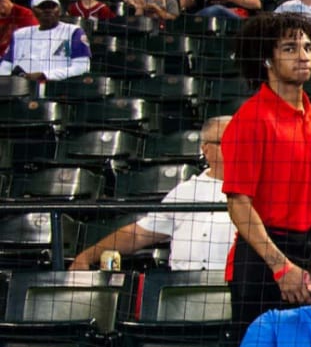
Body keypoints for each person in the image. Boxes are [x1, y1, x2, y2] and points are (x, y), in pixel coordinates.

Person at [224, 12, 311, 329]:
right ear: (267, 60)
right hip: (263, 259)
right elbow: (238, 204)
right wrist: (280, 267)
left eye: (307, 47)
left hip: (309, 252)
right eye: (289, 48)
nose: (303, 56)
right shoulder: (250, 119)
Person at [72, 115, 236, 270]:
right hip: (181, 285)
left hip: (232, 286)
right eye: (227, 141)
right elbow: (138, 235)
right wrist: (86, 257)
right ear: (206, 150)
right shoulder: (186, 191)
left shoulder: (259, 188)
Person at [0, 0, 91, 86]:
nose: (48, 10)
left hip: (56, 90)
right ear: (33, 11)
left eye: (52, 6)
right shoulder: (20, 34)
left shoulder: (73, 32)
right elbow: (5, 66)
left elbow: (82, 66)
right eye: (42, 7)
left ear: (59, 10)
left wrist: (44, 75)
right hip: (18, 90)